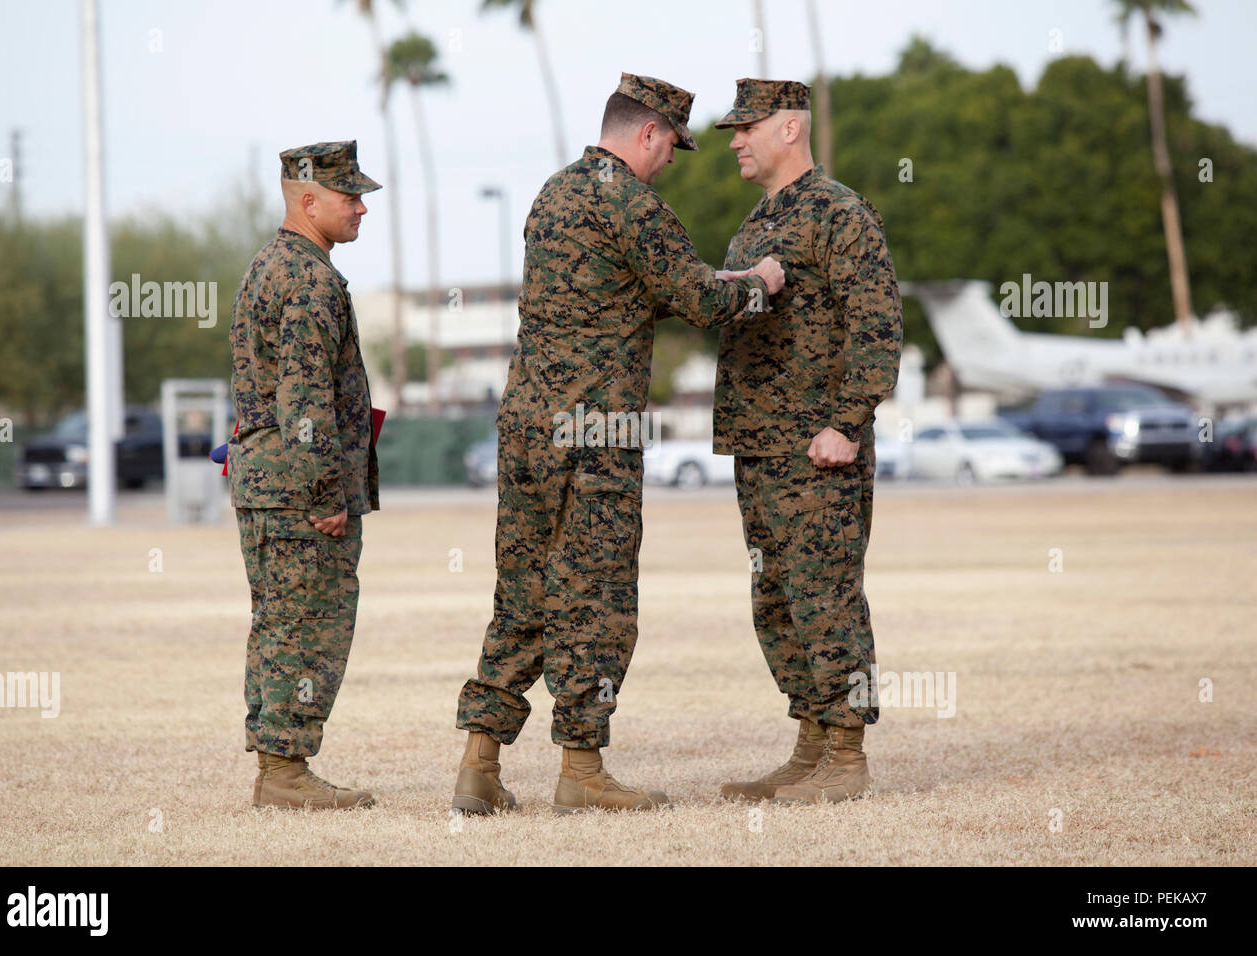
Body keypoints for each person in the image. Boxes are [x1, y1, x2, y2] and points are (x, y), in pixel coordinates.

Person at [452, 73, 786, 816]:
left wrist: (700, 280)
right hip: (596, 435)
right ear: (648, 134)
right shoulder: (634, 205)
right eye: (672, 146)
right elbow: (700, 300)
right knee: (595, 598)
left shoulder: (552, 194)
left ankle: (480, 762)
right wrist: (762, 278)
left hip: (528, 427)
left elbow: (625, 290)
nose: (672, 161)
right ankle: (581, 769)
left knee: (523, 590)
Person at [711, 79, 902, 805]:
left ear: (789, 128)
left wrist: (846, 422)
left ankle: (846, 755)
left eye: (746, 128)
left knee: (826, 594)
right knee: (776, 596)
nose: (734, 141)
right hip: (761, 445)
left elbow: (878, 324)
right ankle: (811, 742)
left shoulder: (840, 212)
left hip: (817, 445)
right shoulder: (757, 223)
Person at [229, 140, 381, 810]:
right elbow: (305, 396)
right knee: (307, 623)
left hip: (267, 482)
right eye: (351, 197)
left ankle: (277, 768)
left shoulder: (270, 265)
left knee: (277, 621)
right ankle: (285, 774)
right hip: (299, 491)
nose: (362, 209)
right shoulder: (310, 279)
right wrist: (326, 493)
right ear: (308, 200)